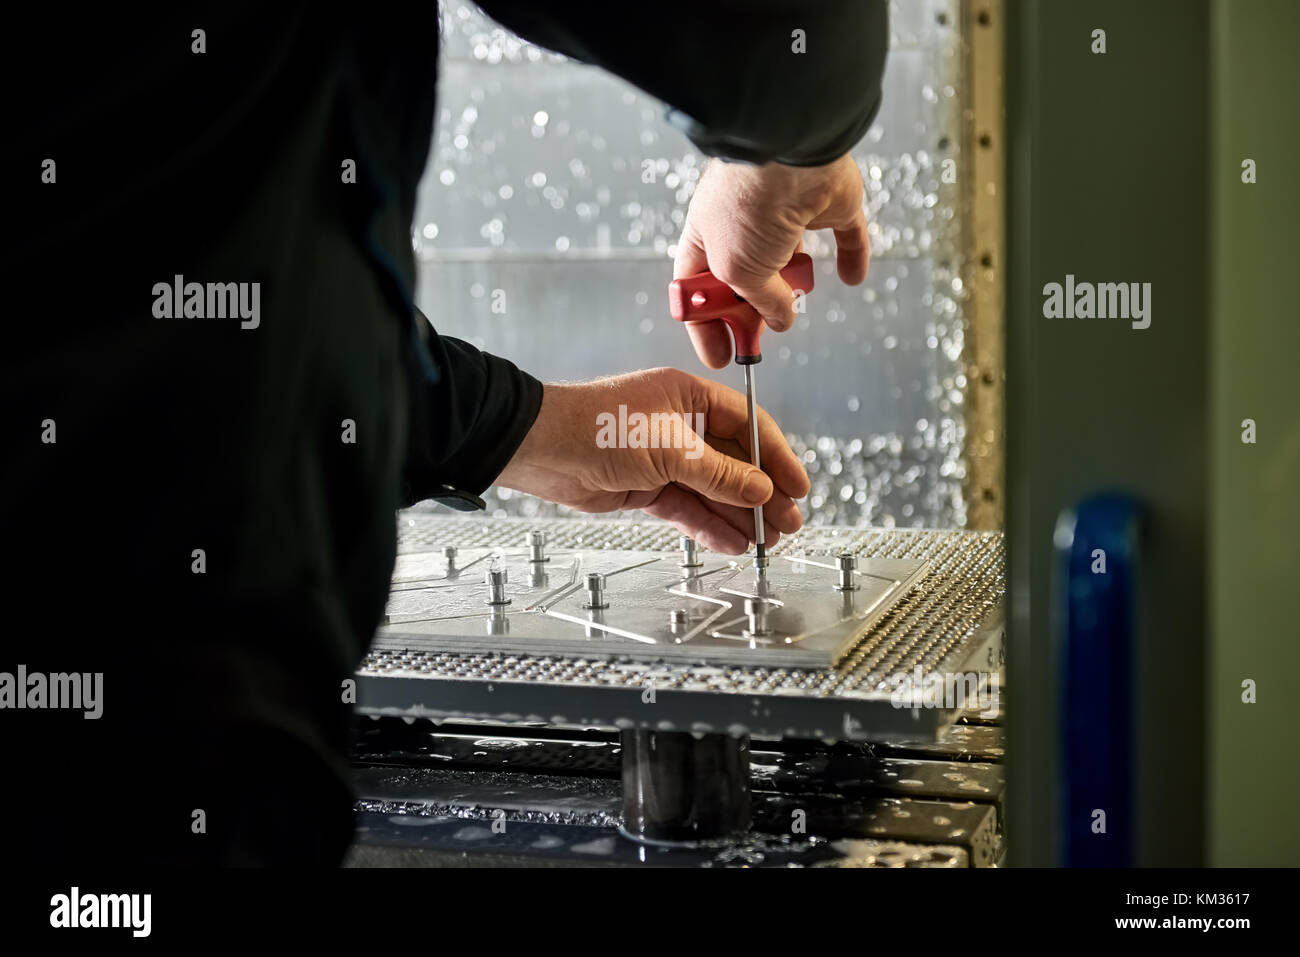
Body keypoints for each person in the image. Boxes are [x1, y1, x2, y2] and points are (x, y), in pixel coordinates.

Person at [4, 3, 888, 865]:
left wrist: (532, 426)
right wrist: (789, 153)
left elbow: (185, 277)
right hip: (152, 736)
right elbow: (788, 41)